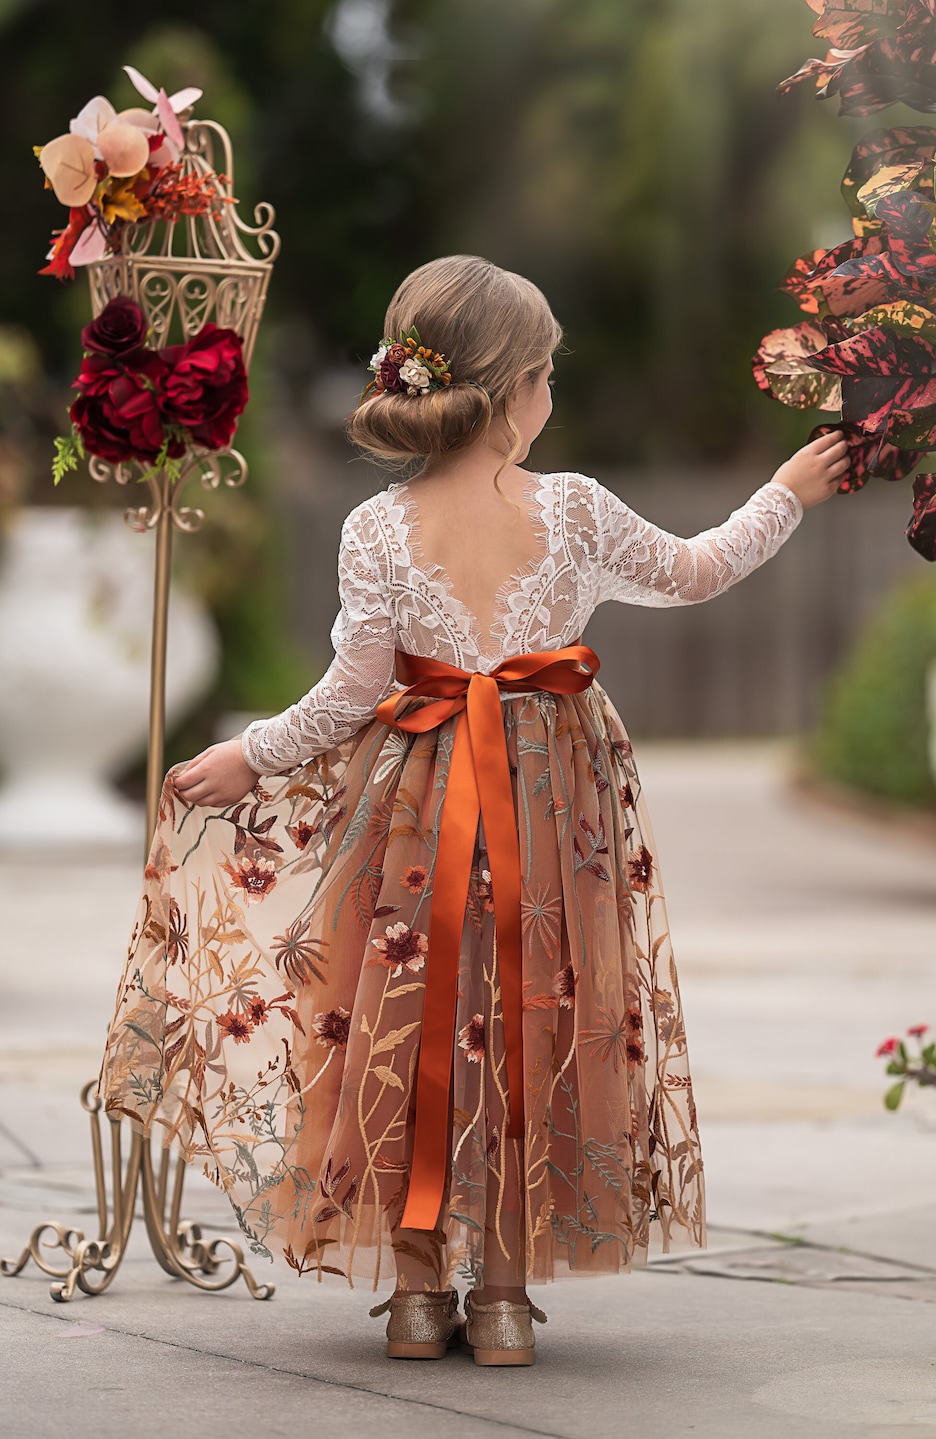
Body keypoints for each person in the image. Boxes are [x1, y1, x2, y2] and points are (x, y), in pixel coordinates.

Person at [100, 255, 847, 1366]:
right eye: (548, 375)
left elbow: (352, 690)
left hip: (415, 803)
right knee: (534, 1014)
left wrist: (248, 756)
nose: (555, 398)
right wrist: (787, 491)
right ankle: (499, 1298)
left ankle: (412, 1296)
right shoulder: (576, 508)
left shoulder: (377, 528)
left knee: (408, 1016)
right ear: (511, 391)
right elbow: (695, 570)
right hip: (554, 799)